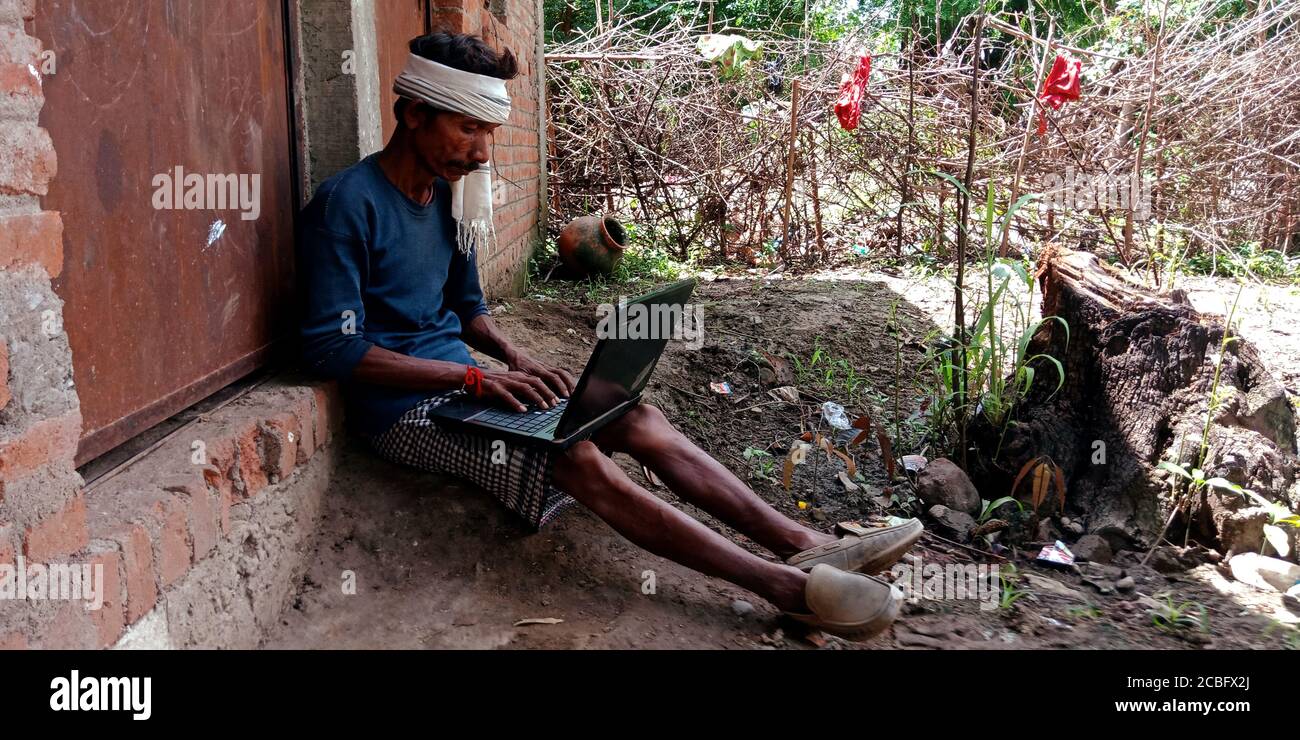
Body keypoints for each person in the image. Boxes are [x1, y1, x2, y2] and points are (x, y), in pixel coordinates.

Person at [296, 32, 922, 640]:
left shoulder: (448, 199)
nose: (483, 152)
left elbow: (466, 307)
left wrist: (513, 356)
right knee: (572, 454)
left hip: (470, 385)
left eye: (488, 132)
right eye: (469, 128)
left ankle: (805, 544)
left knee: (628, 413)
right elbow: (334, 348)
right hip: (405, 411)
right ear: (411, 113)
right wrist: (472, 376)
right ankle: (786, 591)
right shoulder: (346, 204)